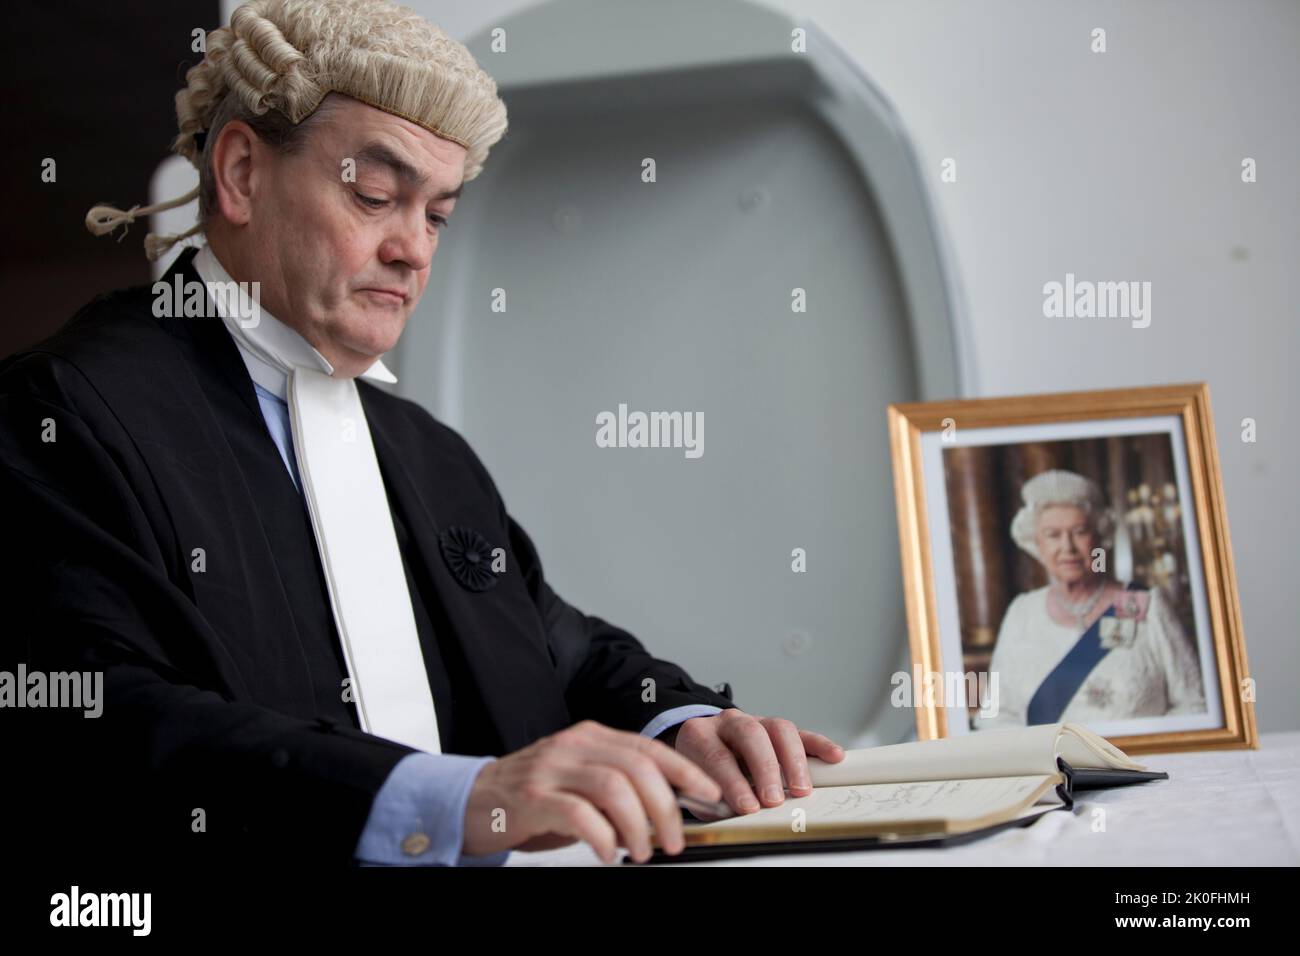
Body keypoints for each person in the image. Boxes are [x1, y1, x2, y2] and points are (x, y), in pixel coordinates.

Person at [0, 0, 843, 868]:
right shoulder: (61, 411)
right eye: (374, 195)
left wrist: (684, 719)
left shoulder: (425, 450)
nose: (414, 249)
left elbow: (561, 646)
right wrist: (450, 800)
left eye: (437, 215)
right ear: (243, 173)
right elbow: (87, 710)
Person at [972, 469, 1206, 731]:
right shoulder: (1021, 614)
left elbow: (1193, 705)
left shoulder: (1145, 606)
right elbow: (997, 716)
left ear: (1099, 538)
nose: (1068, 547)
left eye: (1080, 531)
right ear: (1036, 543)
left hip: (1139, 767)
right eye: (1052, 535)